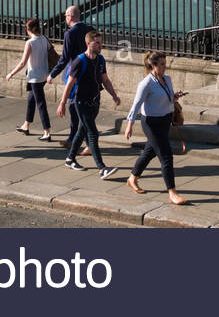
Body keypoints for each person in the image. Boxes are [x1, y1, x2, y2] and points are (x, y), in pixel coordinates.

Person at [123, 51, 188, 205]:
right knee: (166, 157)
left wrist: (175, 96)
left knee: (149, 151)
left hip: (165, 120)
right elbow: (136, 105)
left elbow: (167, 96)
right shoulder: (146, 83)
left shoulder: (167, 79)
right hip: (151, 123)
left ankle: (132, 178)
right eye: (161, 64)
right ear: (153, 65)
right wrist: (129, 125)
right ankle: (172, 193)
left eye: (165, 64)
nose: (165, 67)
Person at [56, 29, 121, 178]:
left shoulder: (100, 59)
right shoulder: (79, 61)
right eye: (97, 43)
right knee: (92, 133)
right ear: (88, 43)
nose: (100, 45)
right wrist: (62, 103)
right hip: (81, 102)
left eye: (101, 42)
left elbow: (105, 80)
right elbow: (70, 83)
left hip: (95, 101)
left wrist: (114, 95)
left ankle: (70, 159)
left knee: (82, 131)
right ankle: (102, 168)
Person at [48, 5, 89, 149]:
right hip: (87, 73)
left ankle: (76, 140)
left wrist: (52, 73)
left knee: (73, 107)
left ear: (71, 16)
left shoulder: (69, 34)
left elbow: (64, 58)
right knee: (81, 109)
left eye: (66, 15)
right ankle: (75, 139)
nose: (65, 18)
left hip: (73, 74)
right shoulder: (88, 29)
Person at [5, 18, 53, 140]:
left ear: (29, 29)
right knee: (31, 99)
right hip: (44, 74)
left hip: (35, 77)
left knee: (41, 104)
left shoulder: (30, 43)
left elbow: (22, 63)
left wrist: (11, 73)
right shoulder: (44, 39)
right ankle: (26, 125)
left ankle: (47, 132)